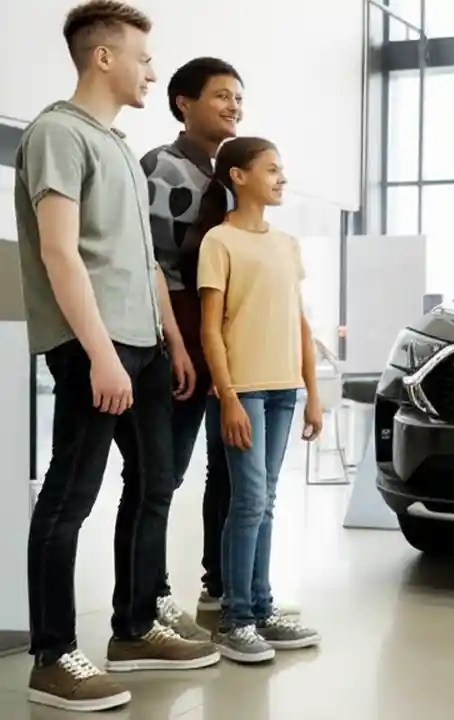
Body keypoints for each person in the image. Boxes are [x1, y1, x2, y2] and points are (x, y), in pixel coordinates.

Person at [14, 1, 221, 712]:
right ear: (103, 58)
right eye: (141, 58)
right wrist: (101, 354)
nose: (150, 71)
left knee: (156, 485)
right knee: (69, 500)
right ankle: (53, 657)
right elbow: (59, 253)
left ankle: (135, 626)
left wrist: (174, 339)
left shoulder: (121, 150)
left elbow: (145, 262)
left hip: (148, 348)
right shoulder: (56, 134)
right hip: (90, 348)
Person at [195, 136, 323, 663]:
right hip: (242, 389)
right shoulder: (218, 243)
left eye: (282, 170)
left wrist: (313, 393)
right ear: (238, 177)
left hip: (283, 389)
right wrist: (225, 396)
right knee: (247, 502)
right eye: (271, 169)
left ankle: (263, 609)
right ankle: (235, 619)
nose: (281, 178)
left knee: (266, 501)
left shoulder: (287, 243)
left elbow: (299, 322)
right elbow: (209, 330)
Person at [138, 56, 244, 641]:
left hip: (225, 337)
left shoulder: (232, 175)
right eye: (222, 95)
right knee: (164, 473)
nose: (233, 106)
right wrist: (172, 342)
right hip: (175, 333)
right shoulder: (161, 167)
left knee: (228, 468)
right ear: (183, 101)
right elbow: (148, 263)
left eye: (238, 98)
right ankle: (148, 598)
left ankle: (222, 587)